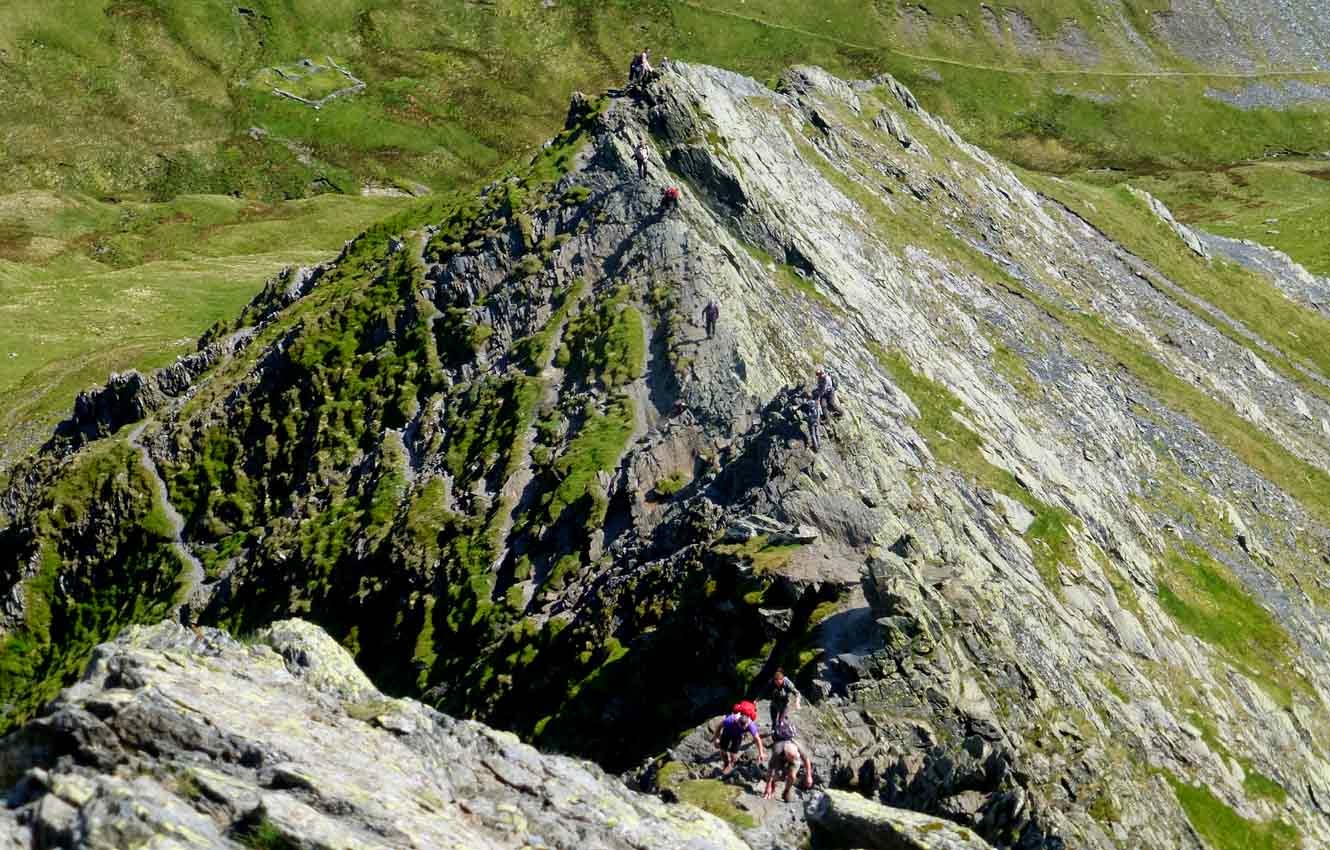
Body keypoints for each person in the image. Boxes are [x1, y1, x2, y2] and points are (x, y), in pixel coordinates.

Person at [712, 703, 766, 777]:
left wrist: (761, 753)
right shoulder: (729, 720)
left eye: (745, 727)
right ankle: (726, 763)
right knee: (722, 750)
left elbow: (757, 739)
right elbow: (719, 726)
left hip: (738, 736)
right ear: (737, 722)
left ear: (747, 723)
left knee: (733, 753)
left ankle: (731, 764)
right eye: (741, 727)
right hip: (727, 732)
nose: (743, 728)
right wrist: (716, 739)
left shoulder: (751, 725)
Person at [763, 736, 813, 803]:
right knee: (776, 774)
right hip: (781, 757)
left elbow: (806, 760)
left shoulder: (799, 748)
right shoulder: (777, 750)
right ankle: (772, 785)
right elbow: (771, 768)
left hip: (795, 759)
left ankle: (786, 792)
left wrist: (809, 776)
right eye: (790, 758)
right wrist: (768, 785)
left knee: (792, 776)